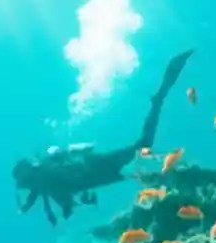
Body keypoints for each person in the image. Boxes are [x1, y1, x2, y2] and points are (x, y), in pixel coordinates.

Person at [13, 49, 195, 225]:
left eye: (22, 180)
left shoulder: (44, 179)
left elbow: (62, 194)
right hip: (99, 168)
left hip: (99, 168)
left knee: (144, 150)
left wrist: (66, 207)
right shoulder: (43, 179)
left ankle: (160, 96)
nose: (23, 185)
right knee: (144, 156)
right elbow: (62, 194)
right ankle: (161, 97)